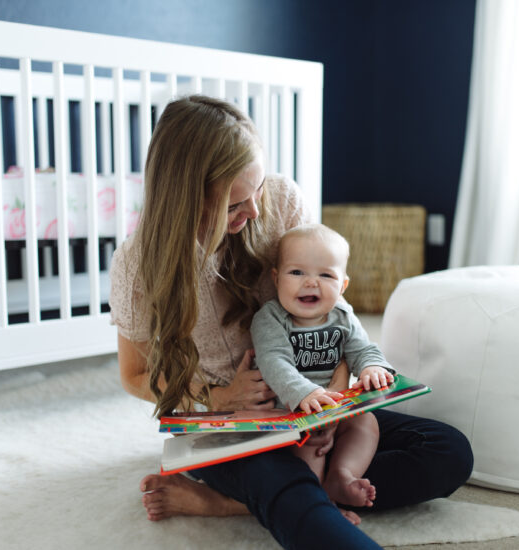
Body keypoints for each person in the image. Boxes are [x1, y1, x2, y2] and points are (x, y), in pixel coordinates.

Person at [109, 94, 473, 550]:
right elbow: (134, 374)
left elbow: (326, 307)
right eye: (234, 204)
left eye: (257, 188)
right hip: (238, 425)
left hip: (316, 402)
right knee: (286, 483)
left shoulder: (281, 200)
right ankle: (279, 494)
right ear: (188, 200)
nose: (257, 212)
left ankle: (227, 503)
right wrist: (221, 395)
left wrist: (337, 398)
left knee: (447, 452)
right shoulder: (137, 263)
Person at [251, 223, 394, 511]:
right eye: (297, 272)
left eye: (326, 275)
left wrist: (372, 367)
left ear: (342, 286)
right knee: (311, 449)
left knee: (366, 423)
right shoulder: (271, 319)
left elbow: (362, 349)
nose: (311, 282)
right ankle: (319, 502)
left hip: (335, 409)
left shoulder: (342, 314)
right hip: (293, 414)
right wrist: (306, 394)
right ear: (276, 279)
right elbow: (274, 362)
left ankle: (342, 475)